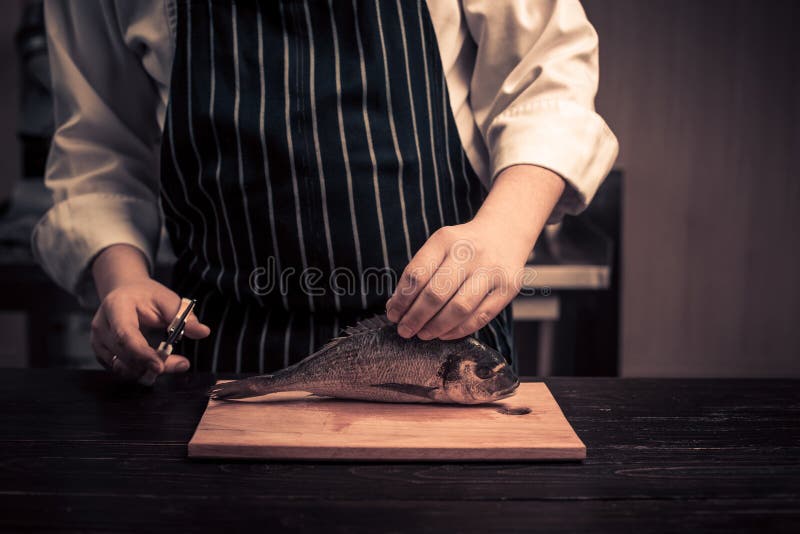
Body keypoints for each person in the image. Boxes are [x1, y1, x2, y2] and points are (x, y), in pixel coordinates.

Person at [34, 0, 618, 383]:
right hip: (224, 359)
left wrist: (506, 228)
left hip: (447, 351)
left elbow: (550, 76)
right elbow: (99, 145)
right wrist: (122, 280)